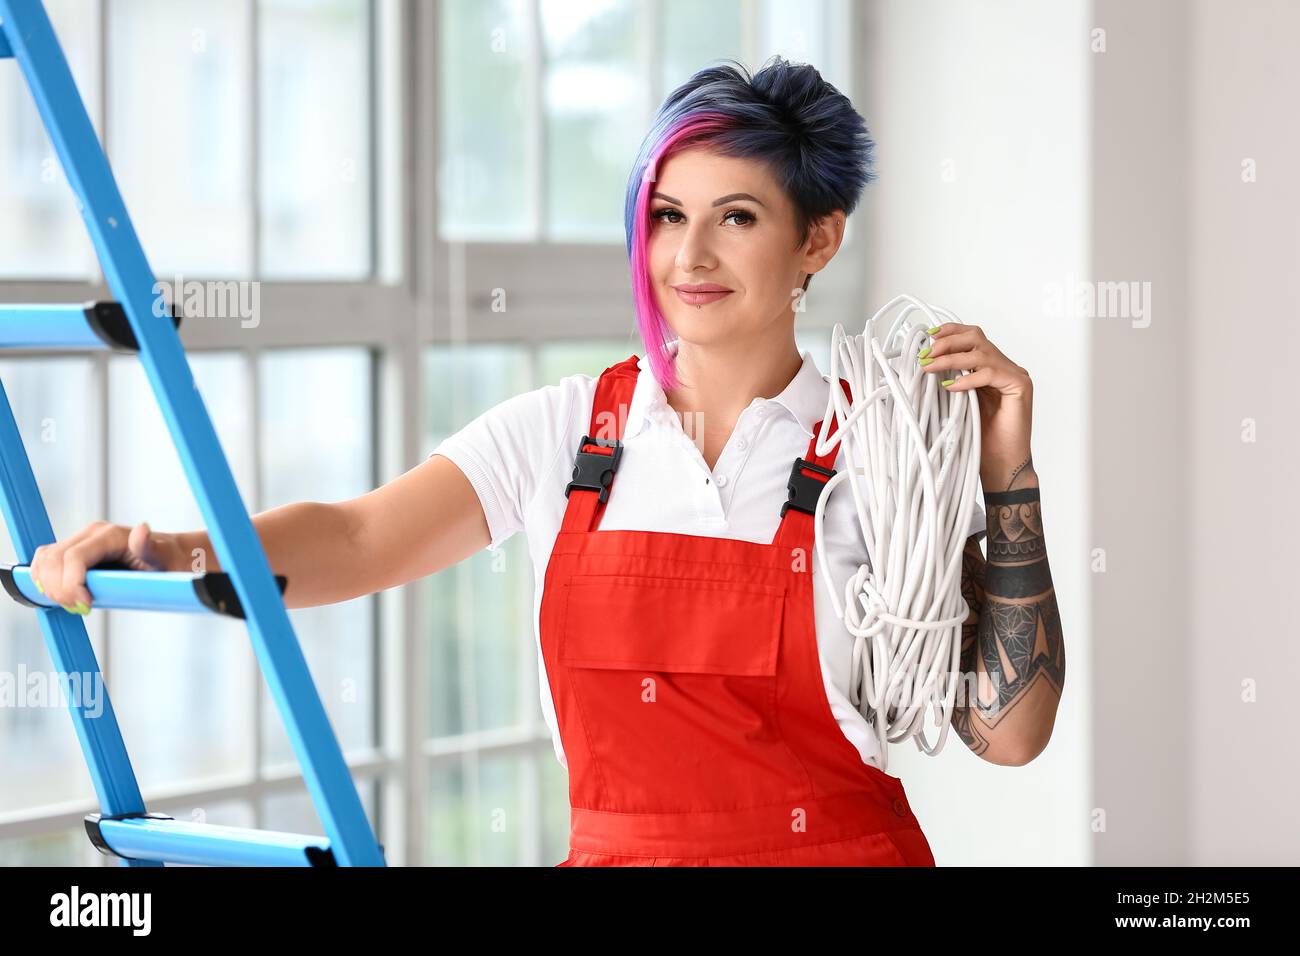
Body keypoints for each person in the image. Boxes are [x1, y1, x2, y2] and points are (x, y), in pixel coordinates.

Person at [31, 56, 1062, 866]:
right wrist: (174, 547)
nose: (687, 258)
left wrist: (1005, 471)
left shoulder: (884, 453)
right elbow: (356, 534)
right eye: (666, 215)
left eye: (734, 218)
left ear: (817, 241)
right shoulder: (567, 433)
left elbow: (1006, 733)